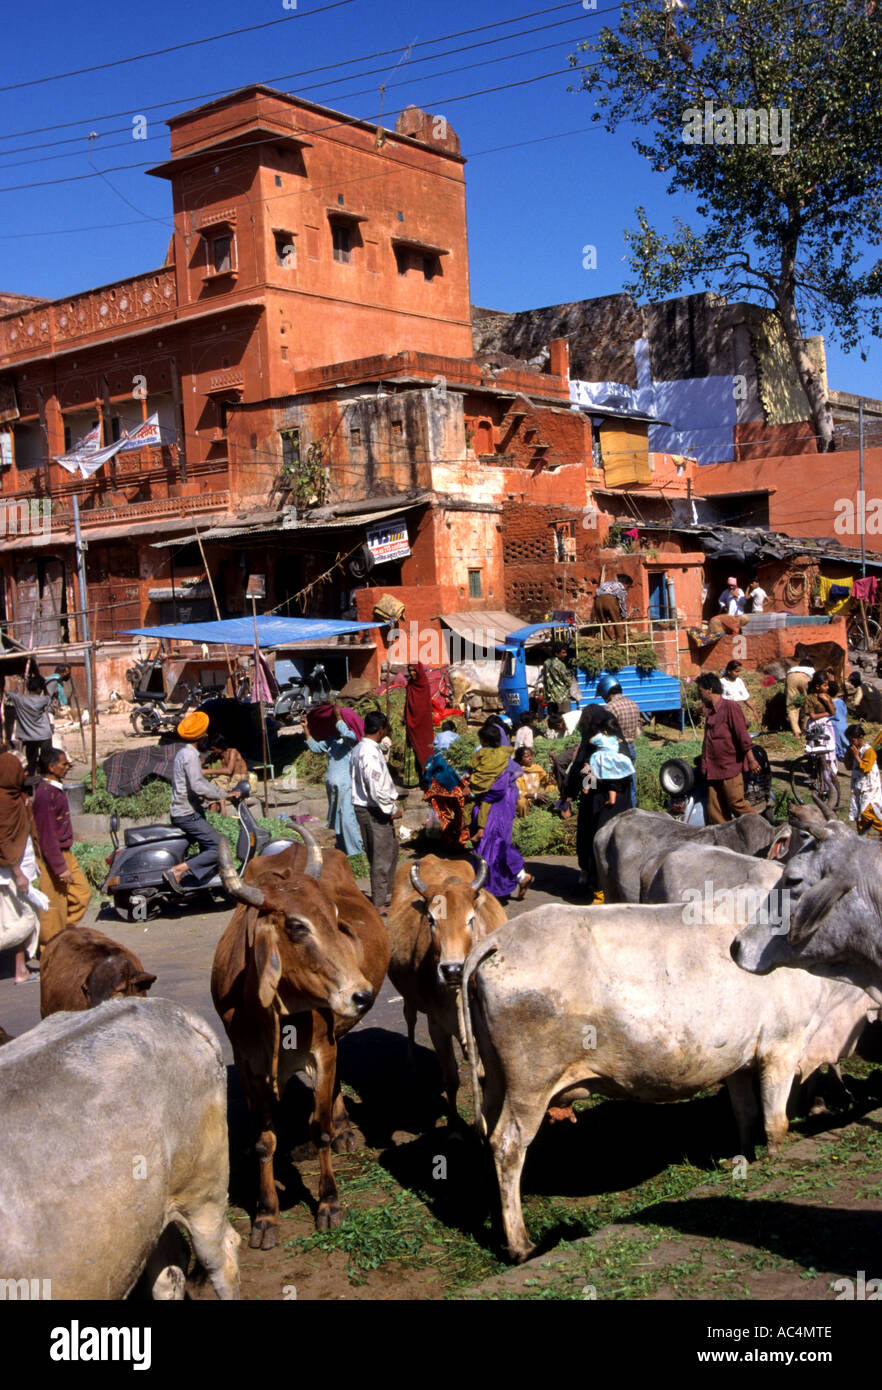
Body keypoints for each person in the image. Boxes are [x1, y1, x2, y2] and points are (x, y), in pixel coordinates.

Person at [164, 712, 233, 894]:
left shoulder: (185, 753)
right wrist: (222, 794)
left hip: (189, 810)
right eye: (206, 735)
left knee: (207, 845)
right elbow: (198, 785)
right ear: (201, 738)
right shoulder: (190, 756)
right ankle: (178, 871)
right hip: (186, 813)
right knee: (218, 846)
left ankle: (204, 884)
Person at [32, 746, 91, 943]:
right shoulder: (44, 795)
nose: (67, 767)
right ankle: (49, 947)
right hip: (53, 856)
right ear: (51, 767)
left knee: (82, 894)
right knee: (54, 906)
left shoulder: (55, 790)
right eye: (64, 764)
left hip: (66, 853)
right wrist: (59, 867)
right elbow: (46, 835)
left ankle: (62, 935)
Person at [468, 723, 532, 899]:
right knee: (496, 844)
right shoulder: (505, 761)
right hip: (500, 808)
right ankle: (518, 876)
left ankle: (496, 885)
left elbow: (496, 788)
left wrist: (476, 791)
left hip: (493, 807)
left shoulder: (495, 763)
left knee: (491, 844)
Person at [573, 708, 633, 896]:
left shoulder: (597, 742)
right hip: (612, 800)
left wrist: (591, 783)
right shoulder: (617, 741)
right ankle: (608, 886)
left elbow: (586, 768)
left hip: (602, 802)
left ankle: (603, 888)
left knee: (603, 842)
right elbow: (586, 768)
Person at [0, 749, 45, 983]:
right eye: (20, 770)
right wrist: (18, 873)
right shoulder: (4, 802)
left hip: (21, 867)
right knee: (21, 919)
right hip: (11, 872)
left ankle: (21, 968)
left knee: (18, 917)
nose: (23, 773)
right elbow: (3, 842)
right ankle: (20, 971)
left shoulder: (16, 796)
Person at [351, 710, 401, 913]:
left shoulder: (360, 749)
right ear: (381, 730)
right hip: (374, 809)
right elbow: (375, 785)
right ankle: (379, 902)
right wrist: (390, 809)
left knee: (388, 850)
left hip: (365, 807)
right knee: (380, 856)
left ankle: (385, 894)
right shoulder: (368, 753)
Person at [696, 672, 761, 823]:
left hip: (729, 767)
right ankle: (723, 841)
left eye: (700, 691)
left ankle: (763, 830)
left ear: (709, 690)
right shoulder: (710, 712)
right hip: (713, 768)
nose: (700, 695)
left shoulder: (730, 707)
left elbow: (742, 735)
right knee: (715, 810)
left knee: (736, 803)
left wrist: (751, 760)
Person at [304, 706, 364, 856]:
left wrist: (339, 718)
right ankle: (342, 850)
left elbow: (349, 736)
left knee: (347, 819)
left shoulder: (350, 740)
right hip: (332, 788)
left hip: (346, 786)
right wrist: (306, 729)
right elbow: (316, 748)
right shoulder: (331, 741)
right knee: (337, 819)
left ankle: (356, 853)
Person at [6, 673, 53, 778]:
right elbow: (48, 697)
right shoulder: (43, 700)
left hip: (29, 735)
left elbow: (8, 693)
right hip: (43, 734)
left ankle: (31, 780)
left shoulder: (19, 699)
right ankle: (45, 777)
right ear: (39, 689)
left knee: (31, 761)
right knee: (46, 759)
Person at [422, 753, 471, 849]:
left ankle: (447, 841)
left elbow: (427, 773)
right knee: (460, 814)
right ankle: (461, 841)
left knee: (443, 816)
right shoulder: (459, 756)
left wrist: (427, 785)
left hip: (438, 790)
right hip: (458, 789)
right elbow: (465, 774)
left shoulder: (434, 757)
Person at [203, 736, 257, 815]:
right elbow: (201, 763)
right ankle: (214, 814)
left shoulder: (232, 752)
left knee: (216, 782)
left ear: (220, 747)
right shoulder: (216, 755)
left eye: (213, 749)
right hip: (228, 780)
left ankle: (221, 804)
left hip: (239, 780)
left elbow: (229, 770)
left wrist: (206, 771)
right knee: (213, 789)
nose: (212, 751)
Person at [845, 724, 882, 835]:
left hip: (870, 788)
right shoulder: (854, 749)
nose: (851, 743)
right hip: (858, 786)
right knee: (859, 817)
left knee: (867, 813)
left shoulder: (869, 751)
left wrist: (857, 756)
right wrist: (850, 754)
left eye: (852, 740)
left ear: (860, 737)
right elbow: (847, 766)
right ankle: (864, 839)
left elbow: (865, 768)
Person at [404, 662, 435, 786]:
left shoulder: (423, 684)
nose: (412, 673)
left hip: (423, 723)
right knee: (414, 748)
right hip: (411, 720)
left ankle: (428, 779)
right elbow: (409, 703)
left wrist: (415, 721)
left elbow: (422, 707)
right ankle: (415, 780)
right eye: (410, 670)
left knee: (425, 750)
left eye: (414, 671)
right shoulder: (410, 684)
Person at [514, 747, 551, 817]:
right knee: (521, 801)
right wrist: (534, 795)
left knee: (552, 788)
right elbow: (517, 791)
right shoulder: (516, 772)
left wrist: (551, 775)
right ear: (520, 760)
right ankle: (525, 819)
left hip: (536, 798)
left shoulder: (537, 768)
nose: (530, 758)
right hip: (526, 798)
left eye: (531, 755)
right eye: (526, 756)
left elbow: (546, 781)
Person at [594, 575, 632, 642]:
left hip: (597, 601)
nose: (628, 588)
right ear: (626, 584)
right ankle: (620, 641)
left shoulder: (606, 583)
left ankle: (607, 641)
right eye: (628, 587)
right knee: (616, 621)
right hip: (609, 600)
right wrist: (623, 614)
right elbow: (622, 602)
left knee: (602, 622)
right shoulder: (621, 587)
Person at [720, 660, 759, 725]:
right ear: (729, 671)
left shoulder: (739, 681)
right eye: (736, 671)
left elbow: (746, 698)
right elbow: (719, 700)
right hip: (727, 711)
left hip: (738, 710)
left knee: (745, 725)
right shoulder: (722, 682)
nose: (738, 674)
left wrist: (754, 710)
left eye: (739, 671)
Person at [785, 662, 816, 737]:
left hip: (791, 677)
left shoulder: (793, 669)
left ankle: (796, 732)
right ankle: (805, 729)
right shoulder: (811, 669)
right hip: (805, 678)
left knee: (792, 706)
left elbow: (785, 687)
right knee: (807, 705)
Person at [541, 645, 573, 715]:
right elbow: (567, 682)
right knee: (564, 717)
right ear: (556, 654)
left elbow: (545, 679)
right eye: (563, 653)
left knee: (553, 718)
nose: (565, 654)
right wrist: (570, 679)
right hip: (562, 696)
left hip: (550, 697)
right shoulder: (560, 665)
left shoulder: (546, 662)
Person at [830, 680, 849, 761]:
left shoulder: (828, 702)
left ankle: (840, 755)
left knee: (837, 742)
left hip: (835, 725)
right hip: (843, 724)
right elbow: (845, 712)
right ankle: (846, 755)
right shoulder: (841, 701)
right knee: (845, 741)